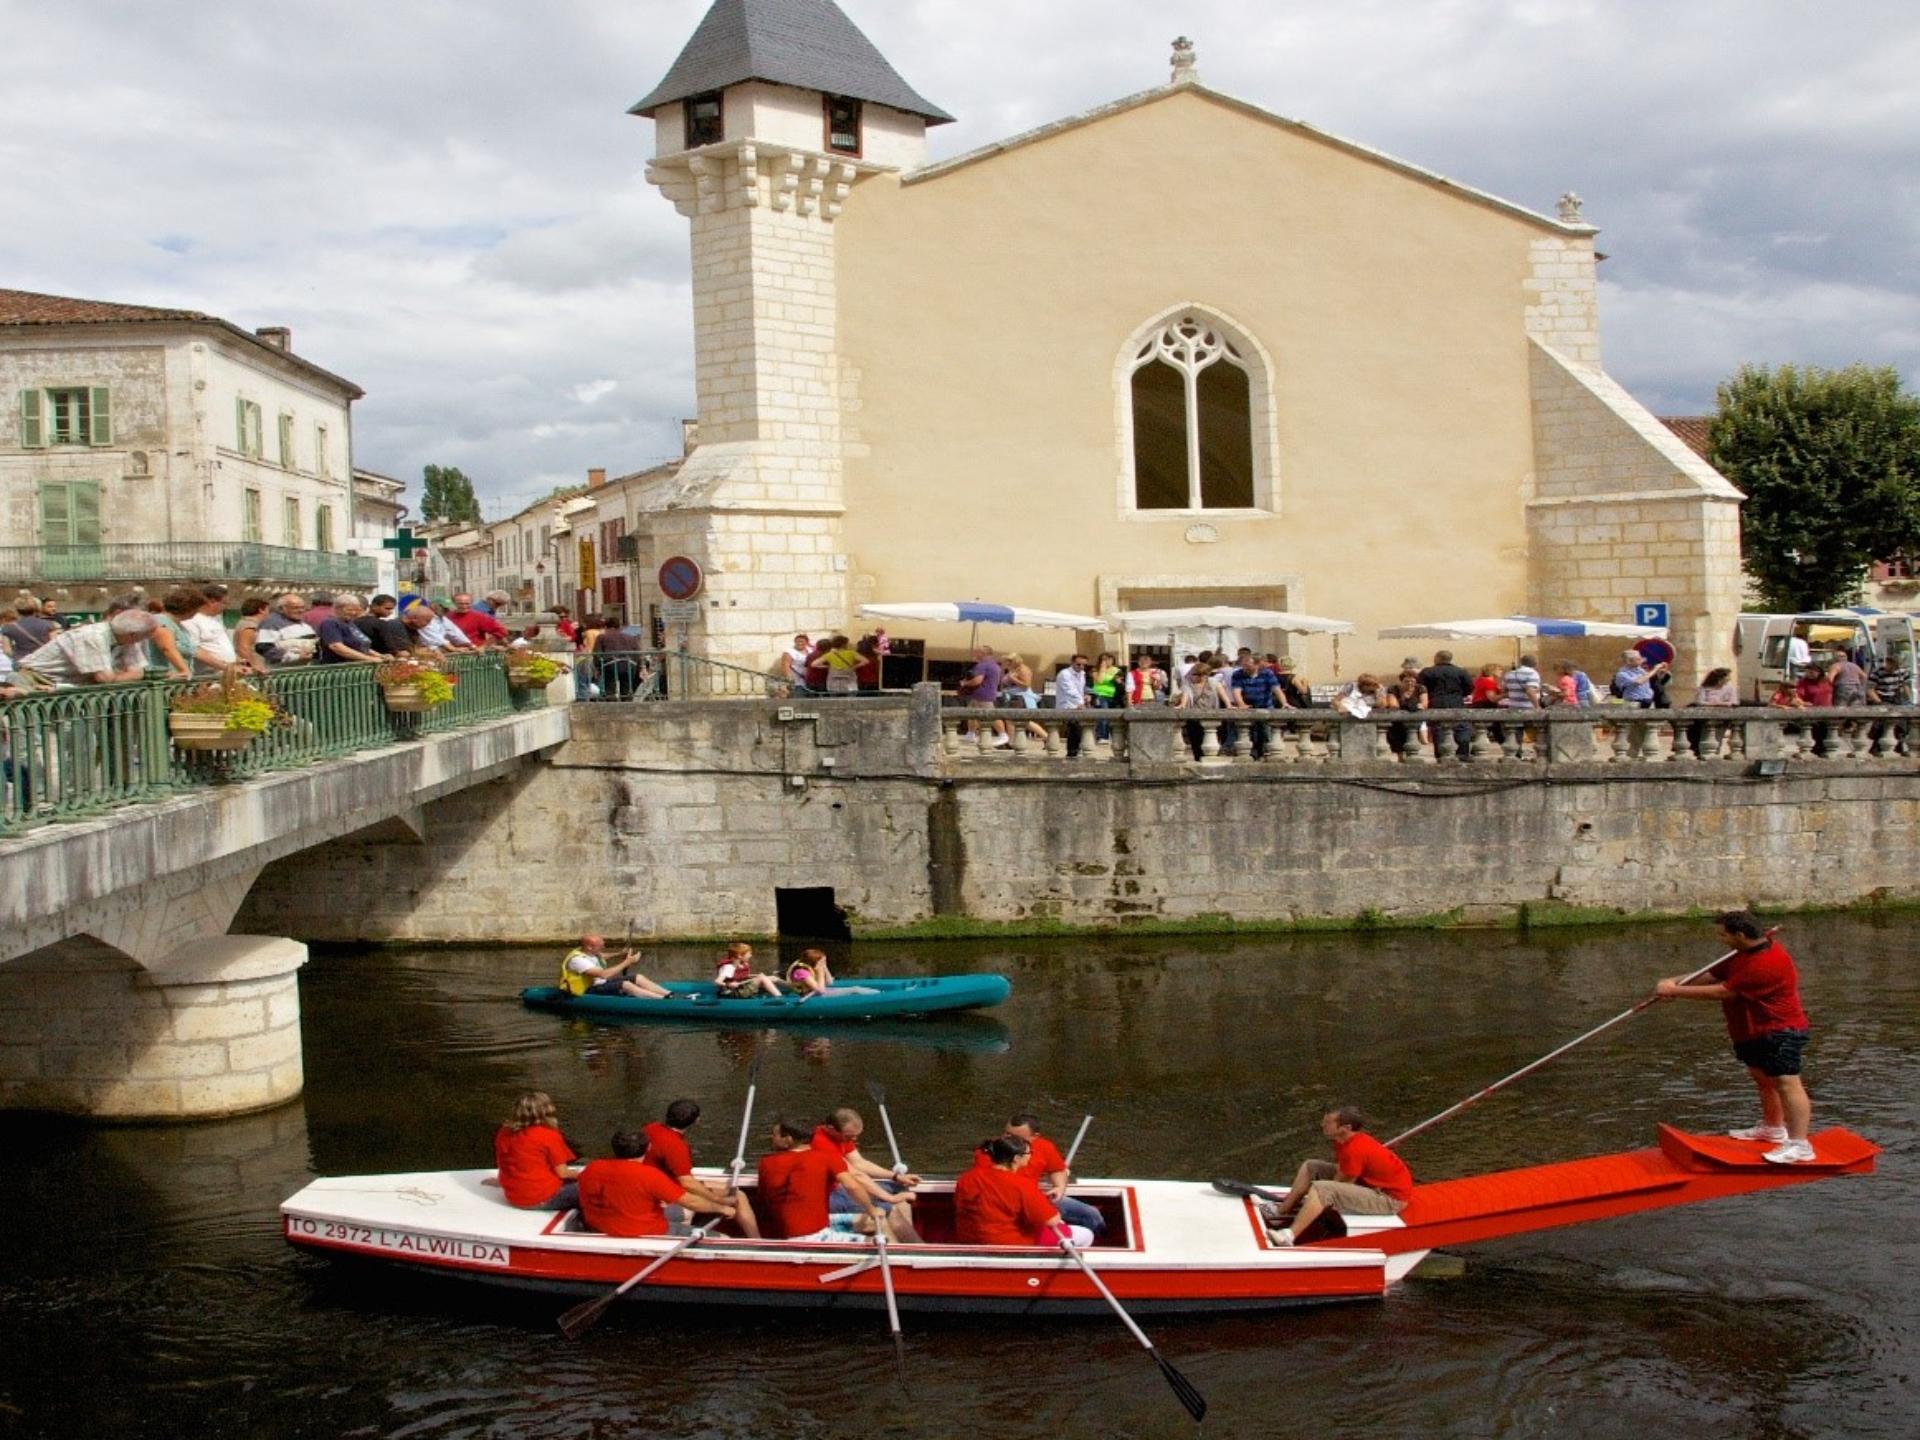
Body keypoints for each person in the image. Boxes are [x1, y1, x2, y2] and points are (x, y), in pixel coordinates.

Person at [1656, 912, 1814, 1164]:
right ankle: (1773, 1128)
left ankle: (1800, 1144)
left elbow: (1723, 991)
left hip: (1779, 1030)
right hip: (1751, 1030)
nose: (1720, 939)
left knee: (1787, 1083)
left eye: (1722, 934)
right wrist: (1674, 981)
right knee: (1763, 1079)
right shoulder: (1740, 954)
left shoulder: (1766, 963)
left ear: (1739, 935)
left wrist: (1676, 991)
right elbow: (1712, 975)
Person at [1264, 1106, 1414, 1246]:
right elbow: (1342, 1173)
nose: (1323, 1125)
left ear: (1346, 1128)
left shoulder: (1355, 1149)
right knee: (1311, 1166)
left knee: (1323, 1189)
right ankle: (1281, 1210)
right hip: (1369, 1184)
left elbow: (1341, 1184)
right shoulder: (1343, 1141)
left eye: (1328, 1122)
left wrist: (1315, 1199)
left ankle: (1289, 1235)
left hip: (1390, 1199)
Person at [757, 1118, 905, 1242]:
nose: (773, 1138)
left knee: (876, 1221)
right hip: (813, 1237)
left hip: (792, 1231)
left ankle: (899, 1255)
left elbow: (764, 1196)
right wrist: (871, 1209)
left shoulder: (765, 1163)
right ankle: (899, 1262)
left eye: (775, 1135)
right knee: (879, 1238)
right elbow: (852, 1186)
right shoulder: (826, 1158)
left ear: (788, 1139)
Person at [576, 1129, 736, 1238]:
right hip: (643, 1230)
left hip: (602, 1224)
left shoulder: (592, 1168)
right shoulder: (649, 1175)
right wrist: (722, 1208)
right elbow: (691, 1201)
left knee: (685, 1213)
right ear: (648, 1148)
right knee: (724, 1239)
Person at [644, 1098, 763, 1238]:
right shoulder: (675, 1145)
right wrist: (718, 1201)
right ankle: (756, 1240)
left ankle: (755, 1238)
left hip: (662, 1189)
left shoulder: (650, 1128)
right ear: (696, 1121)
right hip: (670, 1199)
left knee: (735, 1192)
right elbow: (687, 1183)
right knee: (736, 1196)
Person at [954, 1135, 1094, 1248]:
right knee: (1086, 1234)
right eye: (1028, 1153)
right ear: (1016, 1159)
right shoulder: (1021, 1185)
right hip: (1008, 1242)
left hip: (968, 1237)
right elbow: (1052, 1220)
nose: (1030, 1155)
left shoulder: (967, 1177)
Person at [813, 1107, 922, 1237]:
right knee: (888, 1207)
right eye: (849, 1136)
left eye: (856, 1136)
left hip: (840, 1186)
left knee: (899, 1188)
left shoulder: (841, 1137)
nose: (853, 1140)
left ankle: (912, 1245)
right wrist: (890, 1198)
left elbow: (860, 1163)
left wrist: (896, 1177)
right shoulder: (820, 1142)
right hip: (827, 1195)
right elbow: (856, 1176)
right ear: (831, 1128)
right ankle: (906, 1250)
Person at [998, 1112, 1105, 1235]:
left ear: (1035, 1137)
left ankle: (1098, 1245)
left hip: (1037, 1198)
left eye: (1018, 1138)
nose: (1010, 1141)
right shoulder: (992, 1150)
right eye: (1007, 1134)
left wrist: (1059, 1187)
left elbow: (1057, 1169)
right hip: (1010, 1202)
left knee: (1091, 1214)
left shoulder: (1045, 1147)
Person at [494, 1091, 583, 1211]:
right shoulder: (548, 1135)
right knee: (596, 1187)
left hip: (513, 1195)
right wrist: (585, 1175)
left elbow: (508, 1162)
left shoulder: (504, 1132)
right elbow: (563, 1173)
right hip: (541, 1197)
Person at [17, 610, 157, 686]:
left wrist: (117, 677)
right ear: (133, 635)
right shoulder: (92, 636)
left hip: (63, 685)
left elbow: (138, 672)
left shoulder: (127, 640)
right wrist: (121, 676)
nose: (147, 640)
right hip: (35, 680)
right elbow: (104, 678)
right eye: (146, 636)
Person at [558, 934, 674, 999]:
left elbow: (602, 956)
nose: (603, 947)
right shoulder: (577, 960)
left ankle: (668, 994)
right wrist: (627, 962)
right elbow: (604, 974)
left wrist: (620, 954)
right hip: (586, 989)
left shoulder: (589, 952)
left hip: (600, 983)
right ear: (589, 947)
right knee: (626, 984)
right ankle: (661, 1001)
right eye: (600, 946)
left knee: (637, 977)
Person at [1418, 649, 1475, 759]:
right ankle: (1463, 754)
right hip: (1456, 702)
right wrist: (1460, 694)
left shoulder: (1427, 672)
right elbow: (1470, 688)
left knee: (1439, 730)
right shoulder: (1461, 671)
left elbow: (1421, 688)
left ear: (1437, 658)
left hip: (1436, 702)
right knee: (1461, 728)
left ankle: (1441, 756)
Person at [1175, 659, 1234, 758]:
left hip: (1211, 715)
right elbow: (1185, 696)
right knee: (1196, 740)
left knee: (1211, 739)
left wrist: (1229, 705)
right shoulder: (1188, 684)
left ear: (1204, 675)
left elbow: (1223, 695)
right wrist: (1182, 705)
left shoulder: (1214, 683)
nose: (1193, 676)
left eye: (1196, 674)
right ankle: (1198, 758)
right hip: (1194, 716)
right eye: (1193, 674)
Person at [1230, 653, 1281, 759]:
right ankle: (1252, 753)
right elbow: (1236, 691)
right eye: (1243, 665)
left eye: (1248, 665)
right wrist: (1241, 704)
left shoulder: (1267, 673)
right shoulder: (1238, 674)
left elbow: (1276, 689)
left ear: (1257, 665)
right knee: (1249, 732)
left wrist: (1284, 703)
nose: (1244, 668)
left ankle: (1265, 752)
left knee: (1265, 731)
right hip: (1248, 706)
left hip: (1265, 705)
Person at [957, 645, 1007, 746]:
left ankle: (1003, 735)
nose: (974, 654)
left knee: (991, 715)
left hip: (983, 694)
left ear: (982, 653)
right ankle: (970, 734)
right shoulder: (995, 665)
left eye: (976, 652)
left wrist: (965, 683)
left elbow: (977, 681)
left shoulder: (982, 665)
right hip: (986, 693)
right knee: (971, 713)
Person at [180, 583, 237, 670]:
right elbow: (195, 650)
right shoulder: (191, 620)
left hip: (224, 671)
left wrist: (236, 660)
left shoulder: (214, 620)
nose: (226, 607)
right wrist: (225, 666)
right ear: (211, 602)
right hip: (207, 676)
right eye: (224, 603)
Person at [256, 593, 318, 666]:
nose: (300, 610)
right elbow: (264, 648)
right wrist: (295, 657)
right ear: (281, 609)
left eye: (302, 607)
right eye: (295, 608)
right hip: (284, 672)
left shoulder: (303, 624)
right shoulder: (271, 623)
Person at [316, 595, 380, 664]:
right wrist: (368, 658)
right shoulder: (330, 623)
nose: (353, 613)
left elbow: (360, 646)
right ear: (337, 608)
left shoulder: (349, 623)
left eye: (356, 610)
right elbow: (336, 646)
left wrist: (380, 656)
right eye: (350, 610)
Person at [715, 941, 784, 998]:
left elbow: (742, 976)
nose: (750, 955)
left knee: (773, 978)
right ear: (739, 956)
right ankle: (780, 998)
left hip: (741, 988)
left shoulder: (742, 964)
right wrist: (729, 984)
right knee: (762, 978)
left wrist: (756, 975)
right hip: (733, 992)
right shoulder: (729, 968)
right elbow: (717, 981)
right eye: (749, 954)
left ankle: (793, 987)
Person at [1052, 653, 1089, 758]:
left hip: (1077, 705)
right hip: (1066, 705)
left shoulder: (1082, 674)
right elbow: (1070, 690)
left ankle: (1074, 752)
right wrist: (1081, 702)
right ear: (1072, 663)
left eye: (1084, 665)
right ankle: (1072, 753)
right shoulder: (1065, 674)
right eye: (1078, 664)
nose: (1081, 667)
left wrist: (1085, 696)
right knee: (1074, 729)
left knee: (1077, 730)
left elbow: (1079, 690)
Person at [1087, 651, 1124, 744]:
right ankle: (1103, 736)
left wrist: (1114, 679)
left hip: (1113, 696)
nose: (1107, 661)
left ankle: (1111, 735)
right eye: (1104, 659)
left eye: (1109, 659)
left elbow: (1119, 681)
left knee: (1113, 717)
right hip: (1100, 695)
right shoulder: (1094, 670)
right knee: (1103, 715)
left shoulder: (1117, 670)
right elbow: (1099, 680)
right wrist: (1103, 669)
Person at [231, 597, 273, 674]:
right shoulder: (249, 625)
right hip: (253, 671)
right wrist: (256, 665)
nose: (268, 614)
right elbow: (243, 648)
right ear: (261, 610)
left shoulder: (248, 624)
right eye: (268, 610)